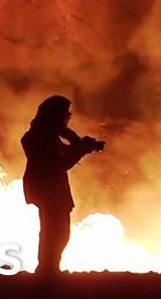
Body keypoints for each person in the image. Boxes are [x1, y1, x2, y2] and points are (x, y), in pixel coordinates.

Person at [21, 95, 104, 275]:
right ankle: (47, 269)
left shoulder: (49, 136)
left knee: (59, 232)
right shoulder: (36, 138)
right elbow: (59, 165)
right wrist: (80, 147)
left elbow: (65, 153)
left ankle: (50, 268)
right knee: (54, 231)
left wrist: (81, 144)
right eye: (65, 114)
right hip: (47, 192)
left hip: (54, 191)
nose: (68, 117)